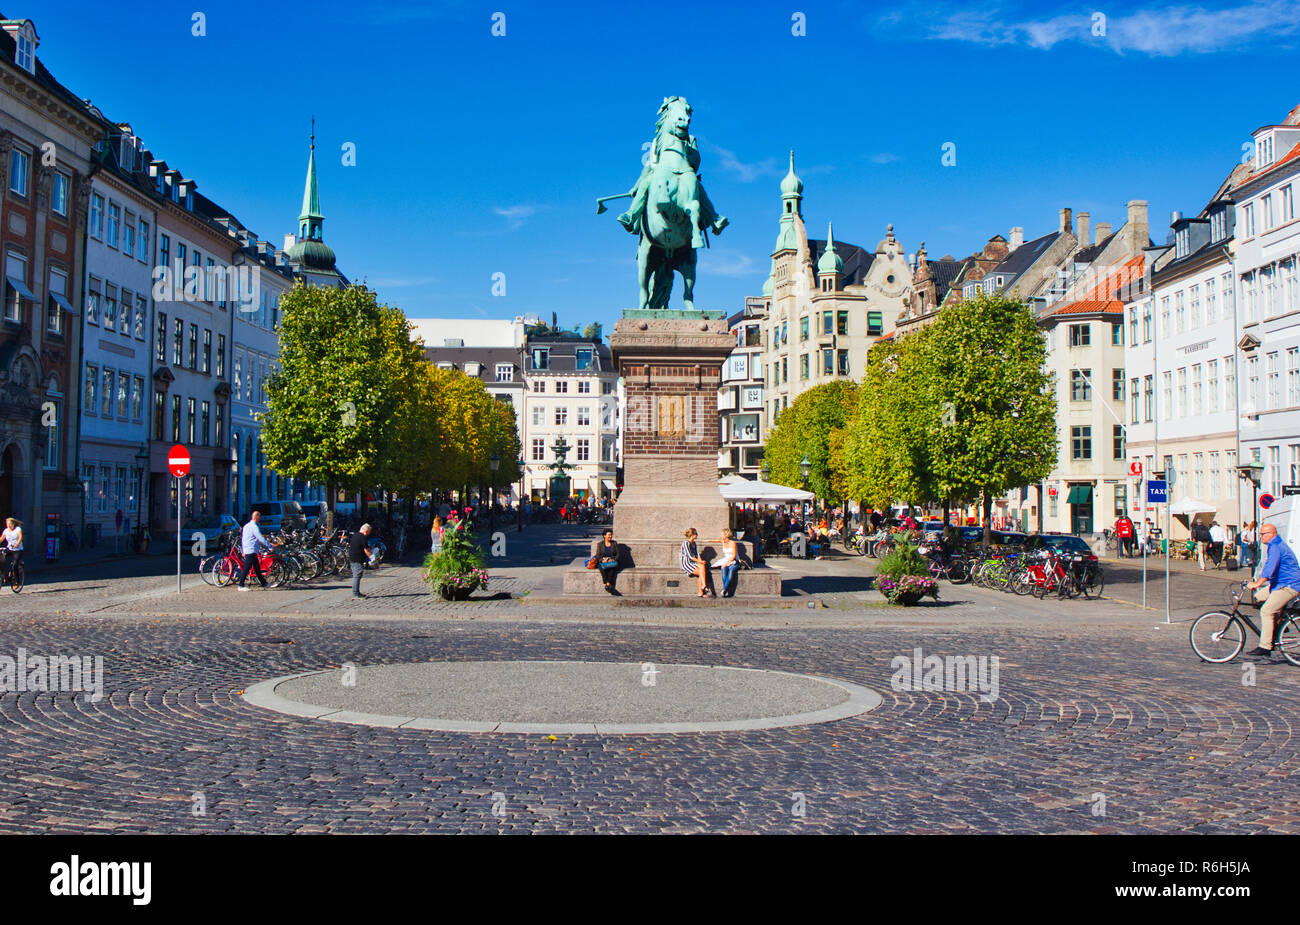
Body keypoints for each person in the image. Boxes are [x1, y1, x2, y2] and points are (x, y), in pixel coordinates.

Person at [1246, 522, 1300, 657]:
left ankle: (1265, 646)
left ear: (1271, 534)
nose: (1261, 537)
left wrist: (1257, 583)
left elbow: (1270, 568)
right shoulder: (1275, 544)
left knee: (1266, 611)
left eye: (1263, 534)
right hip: (1279, 583)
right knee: (1258, 598)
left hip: (1289, 585)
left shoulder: (1275, 546)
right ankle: (1278, 626)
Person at [236, 511, 271, 591]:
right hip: (252, 549)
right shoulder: (254, 527)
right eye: (259, 517)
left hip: (249, 549)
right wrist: (269, 545)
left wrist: (243, 550)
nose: (260, 518)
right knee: (246, 568)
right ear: (256, 517)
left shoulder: (246, 526)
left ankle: (264, 583)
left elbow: (243, 539)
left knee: (257, 568)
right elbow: (260, 538)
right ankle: (241, 585)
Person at [680, 527, 710, 597]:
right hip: (686, 563)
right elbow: (690, 556)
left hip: (693, 562)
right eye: (696, 534)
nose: (697, 535)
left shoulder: (694, 544)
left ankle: (702, 589)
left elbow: (697, 555)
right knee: (701, 572)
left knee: (702, 567)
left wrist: (701, 561)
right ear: (692, 535)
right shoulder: (685, 543)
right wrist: (700, 561)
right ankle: (703, 589)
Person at [593, 528, 622, 595]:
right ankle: (608, 584)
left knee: (612, 568)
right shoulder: (600, 544)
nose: (610, 536)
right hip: (603, 561)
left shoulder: (614, 543)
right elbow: (597, 555)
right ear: (604, 536)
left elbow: (618, 554)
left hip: (612, 561)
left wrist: (612, 559)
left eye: (611, 535)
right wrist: (602, 560)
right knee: (601, 567)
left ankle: (607, 584)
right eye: (609, 535)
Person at [349, 523, 372, 599]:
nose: (369, 534)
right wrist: (372, 557)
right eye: (369, 532)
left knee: (356, 575)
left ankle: (356, 592)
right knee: (357, 575)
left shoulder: (355, 535)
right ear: (366, 531)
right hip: (357, 558)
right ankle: (355, 593)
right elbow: (366, 549)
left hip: (352, 558)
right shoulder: (363, 537)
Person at [716, 528, 739, 598]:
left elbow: (734, 556)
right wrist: (705, 541)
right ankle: (726, 590)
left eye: (722, 534)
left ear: (726, 535)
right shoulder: (723, 541)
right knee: (724, 569)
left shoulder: (733, 543)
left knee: (731, 570)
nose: (721, 535)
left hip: (734, 561)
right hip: (726, 560)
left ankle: (724, 589)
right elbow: (714, 540)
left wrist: (726, 563)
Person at [0, 517, 22, 585]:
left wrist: (17, 544)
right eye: (7, 524)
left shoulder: (18, 529)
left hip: (17, 549)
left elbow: (20, 537)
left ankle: (17, 581)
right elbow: (1, 538)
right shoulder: (6, 531)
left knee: (15, 565)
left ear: (13, 524)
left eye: (10, 524)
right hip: (9, 548)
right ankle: (4, 575)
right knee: (1, 558)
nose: (9, 525)